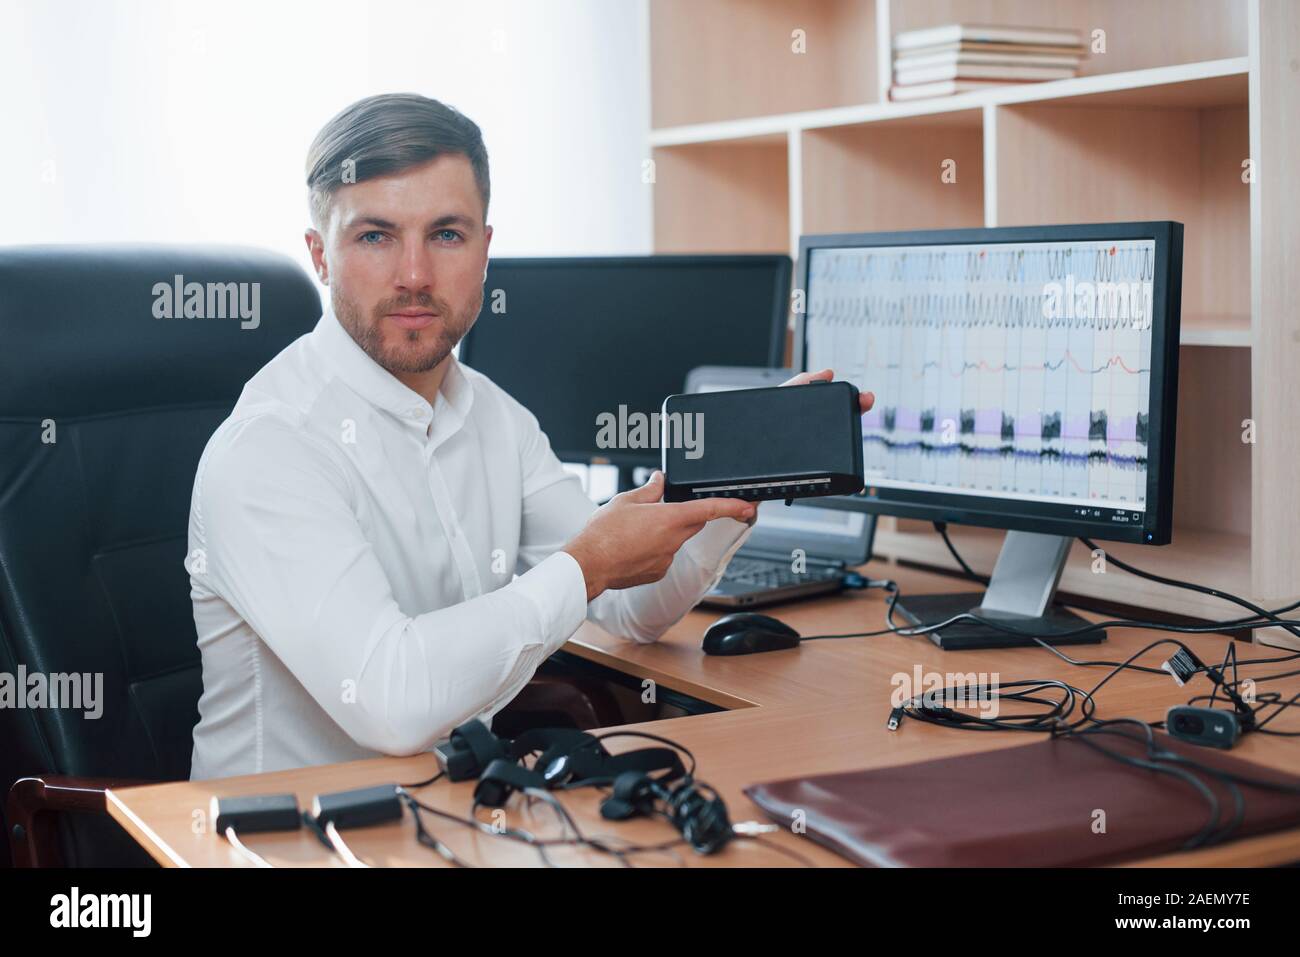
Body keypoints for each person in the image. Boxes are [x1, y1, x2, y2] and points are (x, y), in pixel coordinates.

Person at [187, 93, 873, 779]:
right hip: (281, 839)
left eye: (447, 234)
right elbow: (392, 700)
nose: (416, 275)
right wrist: (586, 564)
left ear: (486, 249)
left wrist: (736, 481)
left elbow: (630, 609)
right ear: (320, 255)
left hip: (444, 817)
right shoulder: (270, 448)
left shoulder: (494, 417)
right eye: (375, 236)